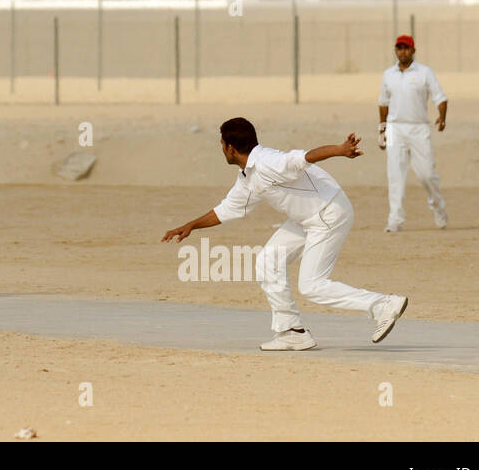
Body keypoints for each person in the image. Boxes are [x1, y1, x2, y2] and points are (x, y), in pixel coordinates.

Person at [162, 117, 408, 352]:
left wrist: (340, 149)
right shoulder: (248, 175)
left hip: (328, 212)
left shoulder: (268, 161)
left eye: (221, 144)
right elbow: (228, 209)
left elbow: (303, 158)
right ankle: (292, 332)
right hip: (307, 217)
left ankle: (383, 305)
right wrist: (191, 225)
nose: (221, 149)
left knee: (312, 285)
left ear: (230, 148)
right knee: (268, 260)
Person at [377, 34, 448, 232]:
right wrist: (382, 131)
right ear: (395, 51)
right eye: (399, 48)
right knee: (395, 174)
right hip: (395, 128)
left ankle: (438, 208)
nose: (402, 52)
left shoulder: (425, 72)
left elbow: (441, 98)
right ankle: (395, 219)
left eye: (406, 48)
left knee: (426, 174)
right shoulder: (388, 75)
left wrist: (442, 117)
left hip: (418, 128)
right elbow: (383, 103)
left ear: (413, 50)